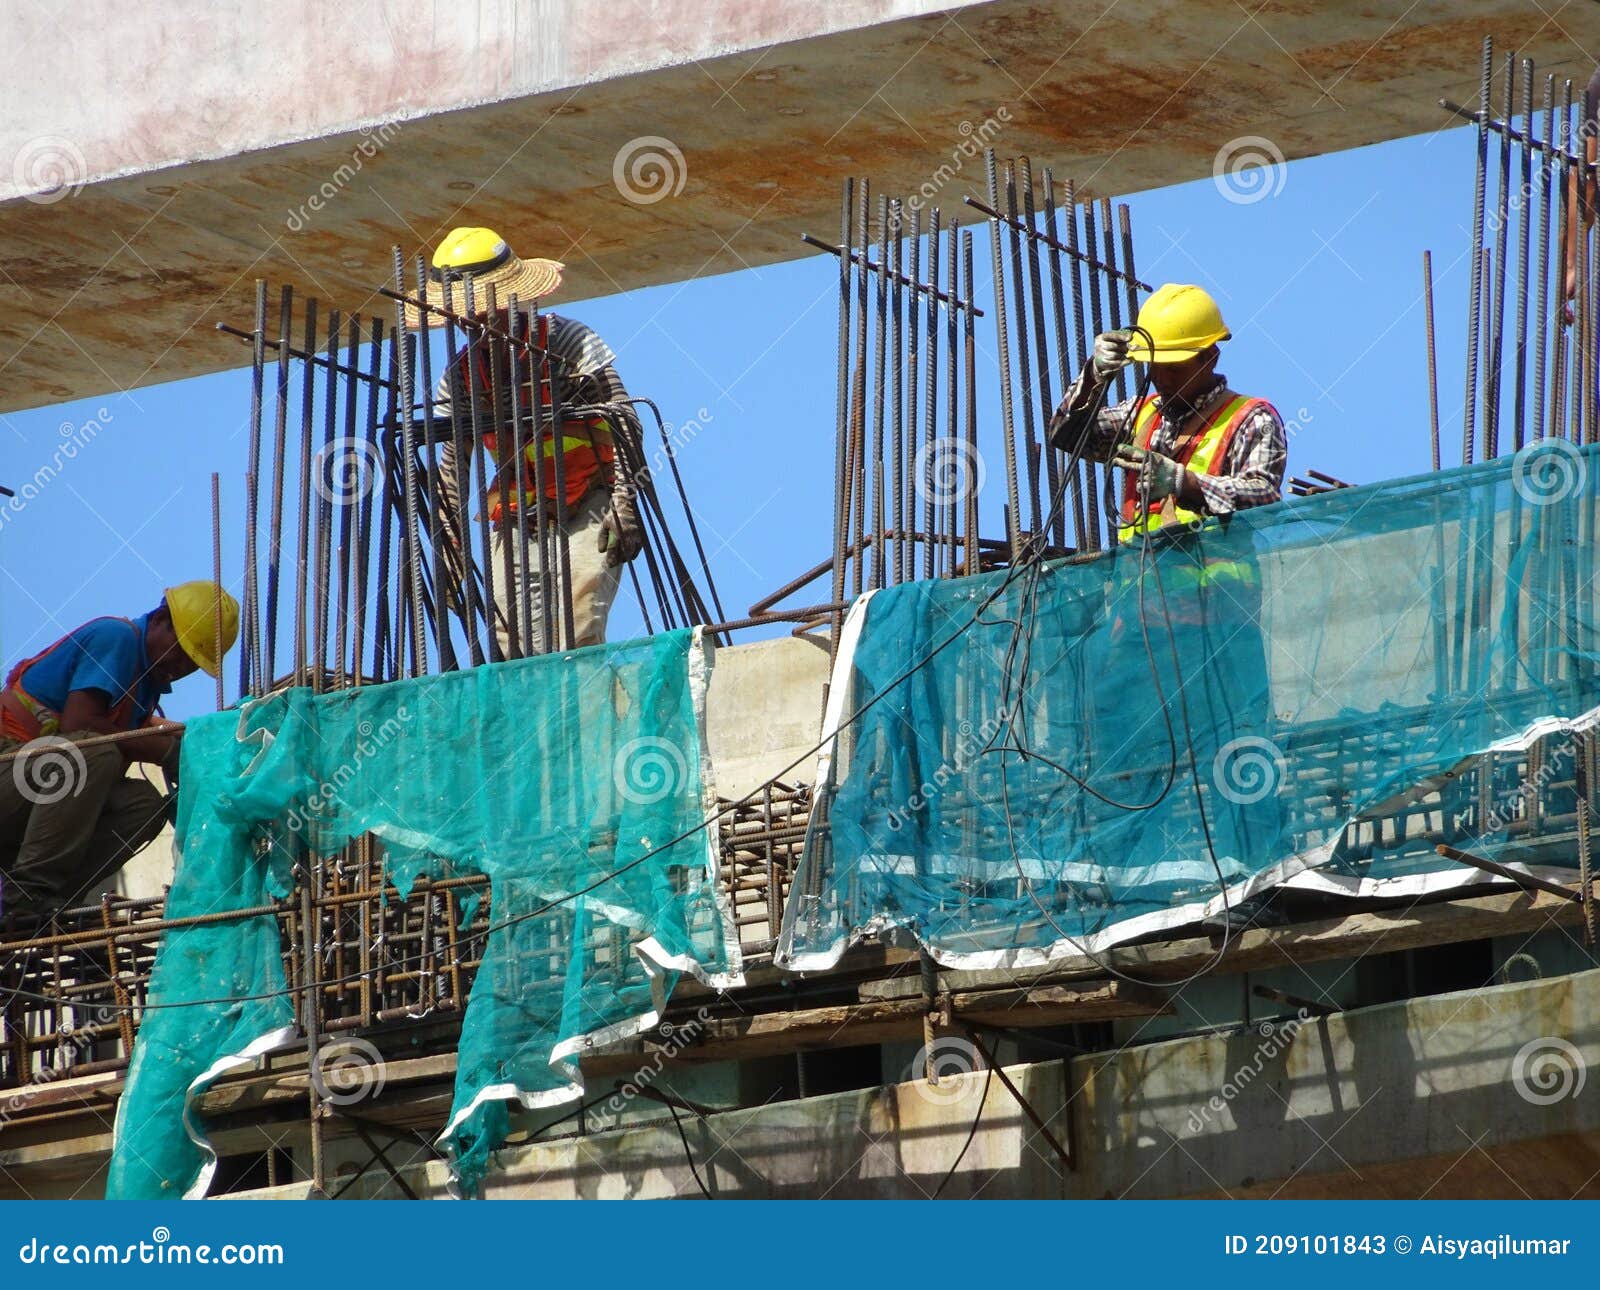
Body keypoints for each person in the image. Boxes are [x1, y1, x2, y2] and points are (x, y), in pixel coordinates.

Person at [1048, 284, 1289, 934]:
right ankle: (1124, 895)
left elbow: (1263, 496)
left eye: (1172, 364)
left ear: (1207, 357)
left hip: (1219, 624)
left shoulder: (1250, 419)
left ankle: (1256, 889)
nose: (1159, 376)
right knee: (1122, 756)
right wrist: (1094, 377)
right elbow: (1068, 434)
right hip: (1142, 626)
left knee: (1236, 756)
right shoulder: (1141, 413)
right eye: (1153, 365)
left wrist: (1184, 482)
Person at [409, 226, 644, 660]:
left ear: (512, 297)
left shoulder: (566, 342)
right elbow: (453, 467)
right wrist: (449, 542)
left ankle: (582, 719)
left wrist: (625, 499)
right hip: (519, 514)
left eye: (485, 310)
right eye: (466, 315)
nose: (476, 322)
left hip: (587, 502)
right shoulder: (461, 377)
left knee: (578, 634)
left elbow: (623, 418)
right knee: (512, 645)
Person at [0, 582, 238, 926]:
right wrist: (167, 752)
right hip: (10, 772)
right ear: (158, 620)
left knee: (143, 805)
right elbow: (79, 724)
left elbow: (134, 733)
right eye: (180, 650)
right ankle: (27, 897)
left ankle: (54, 903)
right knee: (96, 754)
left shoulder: (145, 687)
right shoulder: (118, 638)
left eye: (192, 663)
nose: (180, 666)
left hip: (33, 802)